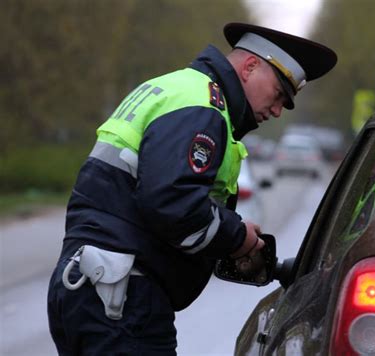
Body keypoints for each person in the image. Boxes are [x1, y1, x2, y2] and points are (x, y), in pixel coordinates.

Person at [47, 22, 337, 355]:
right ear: (250, 66)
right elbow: (172, 204)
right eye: (278, 95)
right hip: (122, 299)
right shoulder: (203, 106)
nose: (275, 110)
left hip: (89, 285)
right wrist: (237, 236)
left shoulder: (172, 87)